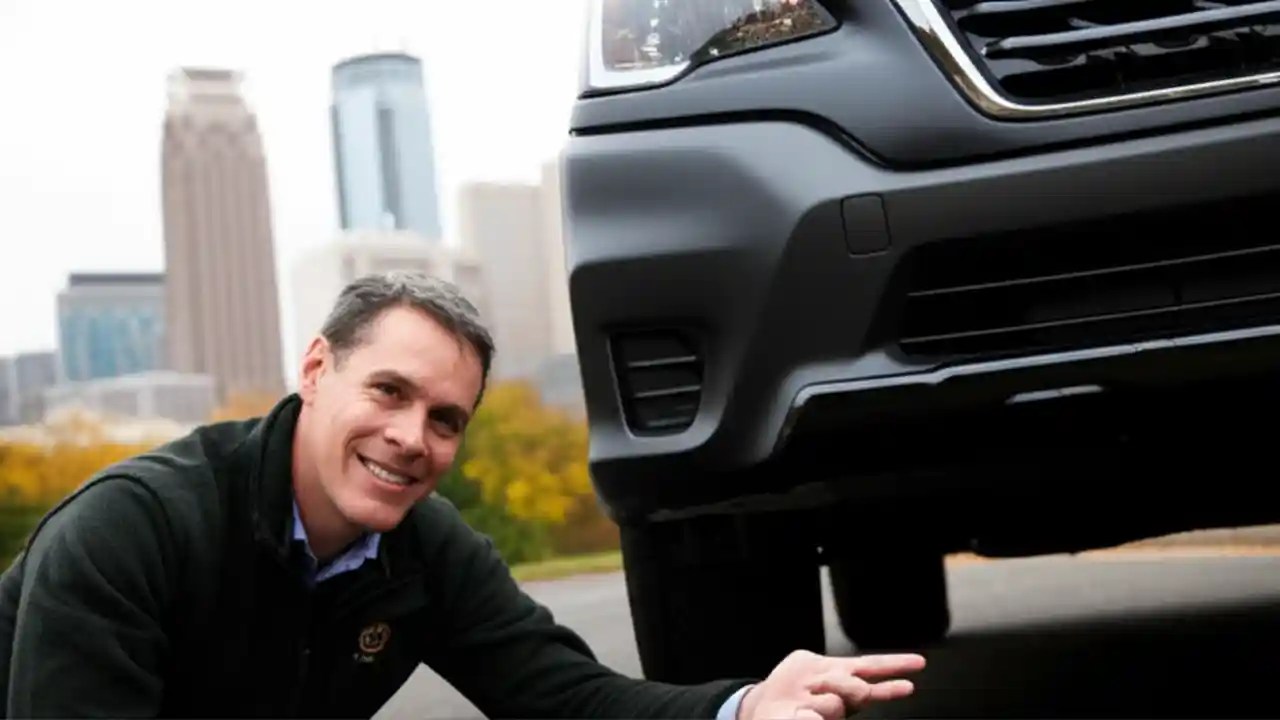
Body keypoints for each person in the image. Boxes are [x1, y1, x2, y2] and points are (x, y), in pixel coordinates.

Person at [0, 271, 925, 719]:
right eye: (390, 393)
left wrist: (742, 707)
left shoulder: (423, 549)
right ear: (316, 369)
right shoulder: (130, 532)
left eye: (446, 420)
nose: (412, 439)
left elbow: (566, 701)